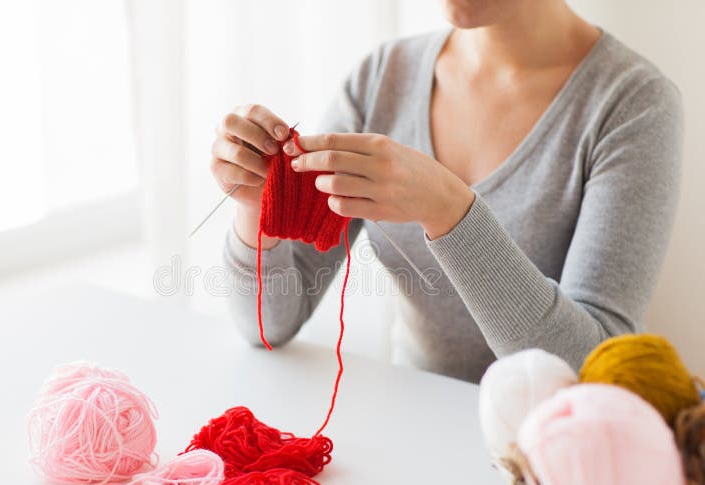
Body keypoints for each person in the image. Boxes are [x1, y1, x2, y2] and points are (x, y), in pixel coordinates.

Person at [210, 0, 683, 383]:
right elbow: (265, 328)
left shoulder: (634, 106)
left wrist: (449, 210)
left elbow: (591, 371)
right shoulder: (383, 78)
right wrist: (256, 206)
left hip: (550, 466)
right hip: (418, 436)